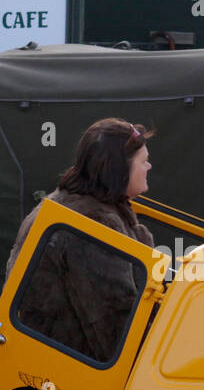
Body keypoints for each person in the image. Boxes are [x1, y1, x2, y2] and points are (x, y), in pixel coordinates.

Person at [3, 118, 154, 361]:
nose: (148, 167)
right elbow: (114, 329)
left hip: (41, 361)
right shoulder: (93, 223)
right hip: (65, 373)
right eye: (143, 161)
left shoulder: (67, 205)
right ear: (119, 169)